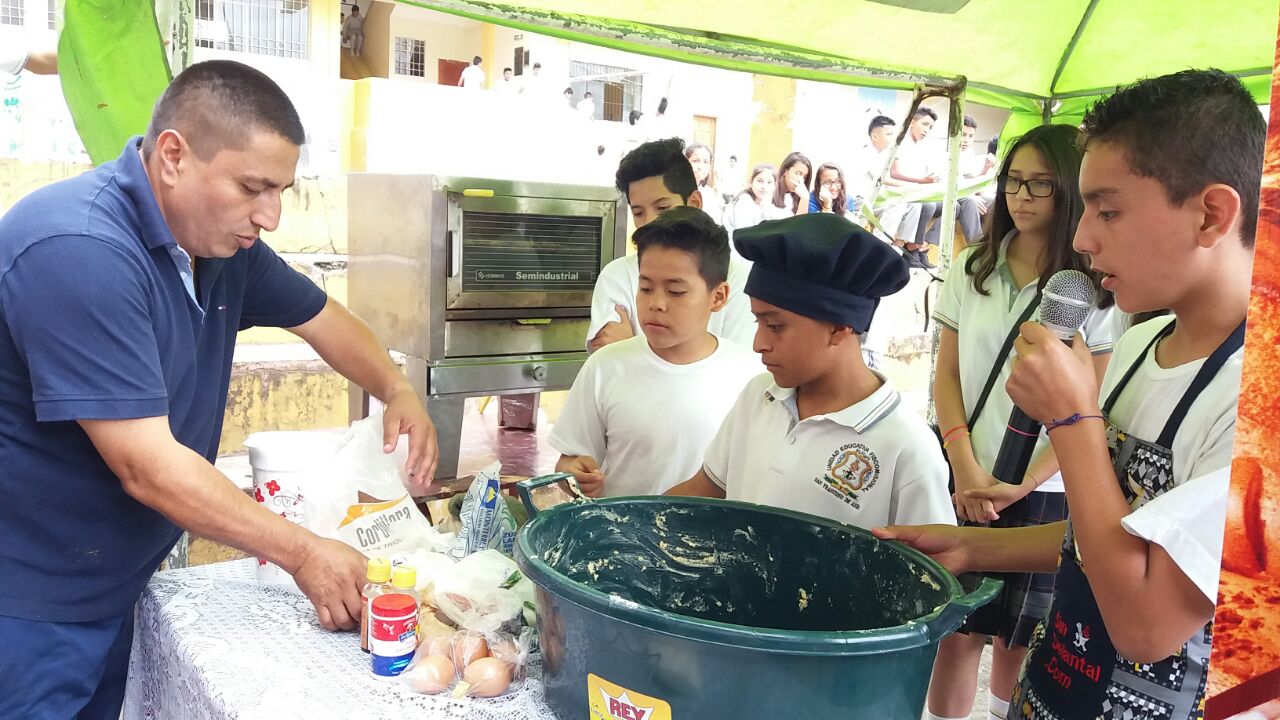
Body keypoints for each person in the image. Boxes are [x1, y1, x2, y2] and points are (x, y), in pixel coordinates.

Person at [0, 60, 439, 719]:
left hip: (114, 580)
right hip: (32, 600)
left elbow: (324, 319)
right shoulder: (79, 246)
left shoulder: (218, 249)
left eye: (282, 190)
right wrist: (303, 550)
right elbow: (148, 468)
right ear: (173, 156)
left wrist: (397, 389)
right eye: (253, 187)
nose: (270, 215)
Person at [877, 68, 1262, 720]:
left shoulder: (1255, 403)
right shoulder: (1145, 343)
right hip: (1053, 691)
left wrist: (1075, 418)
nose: (1082, 238)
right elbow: (1117, 533)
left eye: (1108, 211)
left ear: (1211, 213)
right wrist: (975, 547)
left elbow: (1147, 624)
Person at [926, 124, 1124, 720]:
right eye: (1014, 180)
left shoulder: (1093, 290)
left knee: (1020, 635)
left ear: (1069, 191)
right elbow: (948, 375)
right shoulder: (971, 268)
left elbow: (1095, 407)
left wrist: (1024, 483)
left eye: (1041, 183)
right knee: (956, 628)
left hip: (1049, 484)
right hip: (967, 466)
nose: (1023, 195)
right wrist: (963, 465)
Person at [667, 214, 954, 531]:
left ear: (840, 328)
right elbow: (704, 490)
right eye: (757, 322)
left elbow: (929, 568)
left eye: (775, 326)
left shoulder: (907, 448)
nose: (759, 344)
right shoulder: (760, 396)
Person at [552, 208, 762, 497]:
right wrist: (574, 473)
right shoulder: (606, 367)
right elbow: (569, 462)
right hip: (619, 536)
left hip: (709, 537)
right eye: (646, 288)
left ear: (718, 296)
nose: (656, 304)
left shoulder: (749, 377)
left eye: (675, 292)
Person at [586, 138, 755, 353]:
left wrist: (630, 351)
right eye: (638, 212)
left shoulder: (737, 280)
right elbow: (608, 357)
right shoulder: (616, 275)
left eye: (663, 208)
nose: (649, 222)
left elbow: (737, 368)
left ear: (694, 203)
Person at [859, 115, 925, 251]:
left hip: (880, 200)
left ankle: (898, 247)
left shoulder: (887, 156)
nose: (894, 138)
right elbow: (882, 180)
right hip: (864, 201)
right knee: (897, 204)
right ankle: (879, 247)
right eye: (889, 134)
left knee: (914, 204)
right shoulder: (866, 153)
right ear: (875, 136)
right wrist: (913, 186)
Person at [892, 107, 943, 268]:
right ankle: (913, 248)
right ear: (912, 122)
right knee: (928, 206)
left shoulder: (922, 148)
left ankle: (924, 247)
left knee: (953, 206)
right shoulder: (900, 142)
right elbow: (895, 173)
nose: (926, 130)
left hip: (920, 191)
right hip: (903, 192)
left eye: (930, 127)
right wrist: (921, 181)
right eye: (924, 124)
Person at [722, 163, 786, 242]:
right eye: (760, 181)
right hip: (732, 248)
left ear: (774, 186)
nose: (764, 187)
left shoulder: (763, 203)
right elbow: (744, 236)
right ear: (751, 182)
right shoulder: (744, 202)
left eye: (769, 182)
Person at [684, 142, 724, 224]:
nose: (700, 167)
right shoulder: (675, 190)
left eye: (705, 162)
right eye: (695, 161)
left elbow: (716, 222)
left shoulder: (709, 193)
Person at [773, 151, 813, 217]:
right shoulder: (769, 191)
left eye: (805, 177)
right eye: (798, 173)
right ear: (785, 171)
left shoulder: (800, 197)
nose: (801, 181)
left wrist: (804, 199)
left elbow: (800, 225)